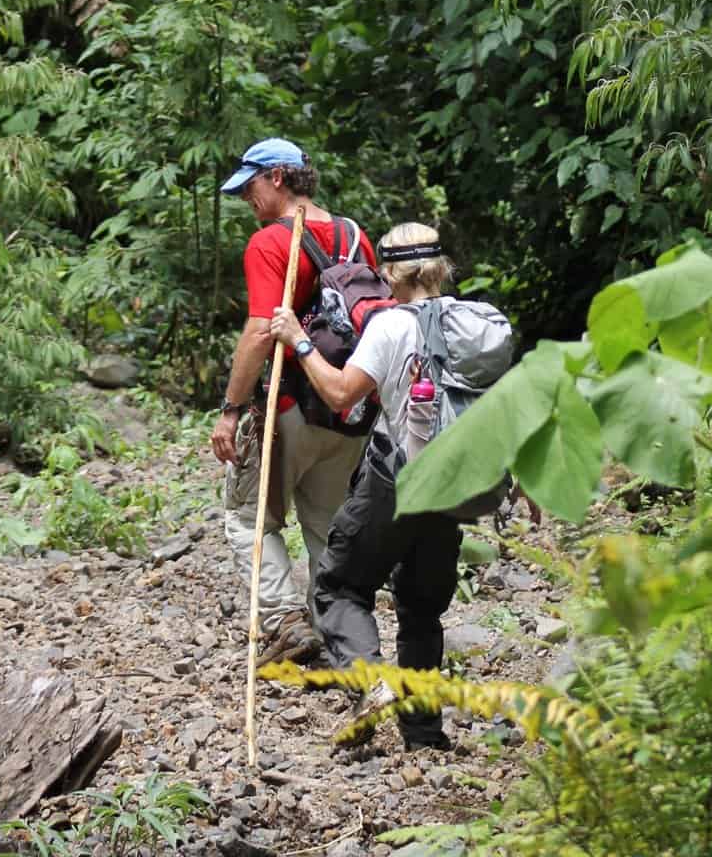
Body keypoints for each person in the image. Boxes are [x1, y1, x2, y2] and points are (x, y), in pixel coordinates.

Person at [269, 221, 509, 750]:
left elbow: (339, 394)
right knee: (422, 609)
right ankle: (425, 736)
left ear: (387, 274)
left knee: (339, 586)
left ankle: (370, 680)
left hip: (397, 480)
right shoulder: (477, 325)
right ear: (442, 268)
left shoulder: (391, 325)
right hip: (453, 486)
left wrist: (299, 340)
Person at [211, 138, 377, 665]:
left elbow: (262, 330)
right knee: (327, 523)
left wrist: (232, 408)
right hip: (349, 404)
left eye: (251, 187)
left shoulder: (269, 242)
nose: (248, 200)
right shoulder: (355, 236)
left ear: (278, 178)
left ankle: (282, 620)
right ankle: (335, 634)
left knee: (247, 515)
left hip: (290, 404)